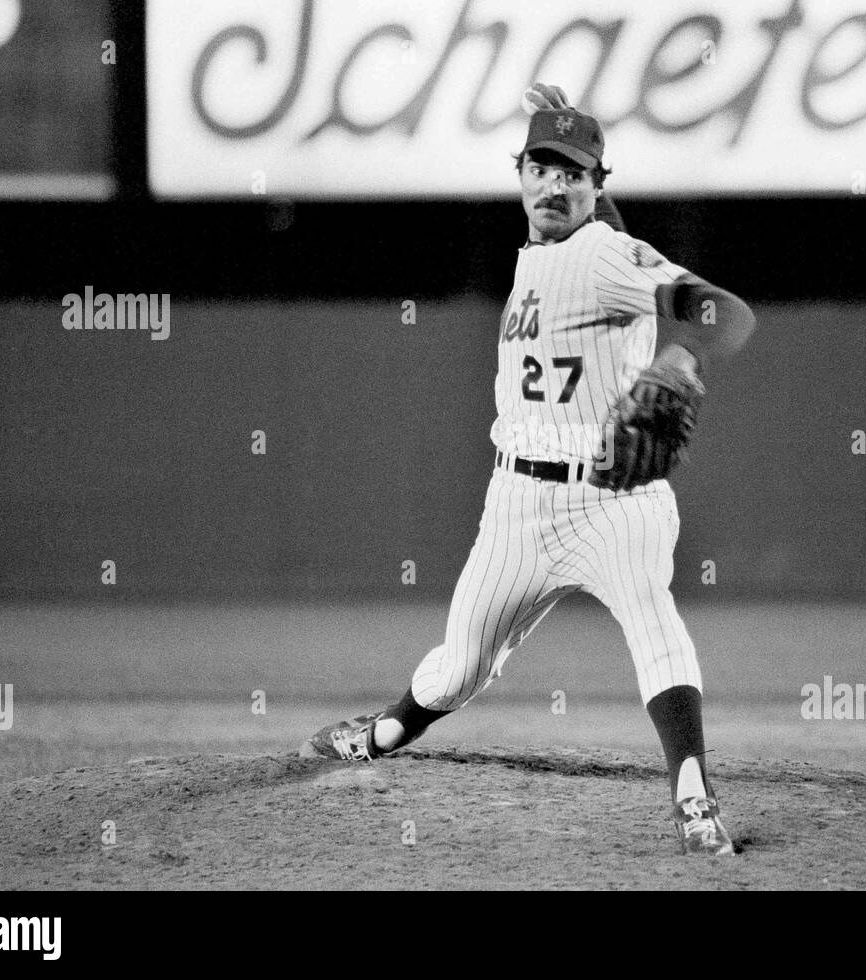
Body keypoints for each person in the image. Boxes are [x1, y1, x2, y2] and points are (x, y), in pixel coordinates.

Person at [300, 95, 756, 856]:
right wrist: (584, 169)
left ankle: (693, 792)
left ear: (596, 184)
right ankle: (383, 731)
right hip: (516, 502)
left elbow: (728, 313)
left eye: (574, 176)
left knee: (652, 616)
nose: (555, 186)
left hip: (613, 497)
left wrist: (682, 354)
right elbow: (582, 213)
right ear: (519, 172)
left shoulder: (607, 254)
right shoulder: (549, 251)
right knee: (458, 668)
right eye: (542, 167)